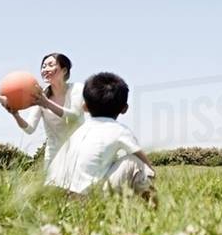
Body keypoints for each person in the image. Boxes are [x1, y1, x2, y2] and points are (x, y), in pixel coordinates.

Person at [45, 72, 157, 203]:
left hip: (59, 197)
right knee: (134, 162)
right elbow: (140, 156)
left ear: (85, 107)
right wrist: (152, 172)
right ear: (124, 109)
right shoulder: (120, 130)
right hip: (88, 199)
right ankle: (154, 209)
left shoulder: (79, 130)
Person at [5, 53, 84, 171]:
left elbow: (74, 116)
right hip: (53, 155)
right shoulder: (40, 95)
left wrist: (46, 103)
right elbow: (29, 128)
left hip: (79, 151)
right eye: (43, 66)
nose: (45, 69)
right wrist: (16, 115)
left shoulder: (77, 88)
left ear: (64, 70)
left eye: (50, 65)